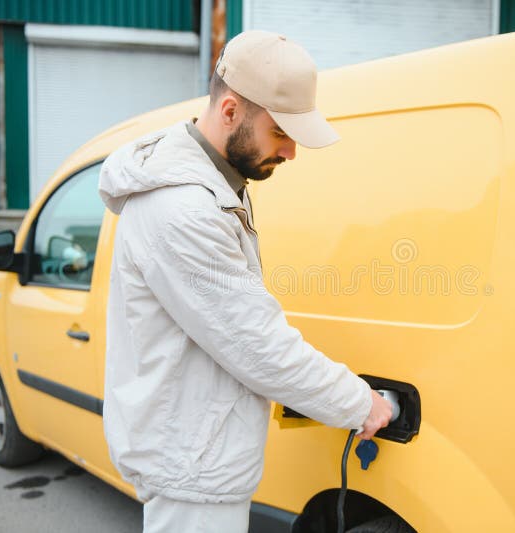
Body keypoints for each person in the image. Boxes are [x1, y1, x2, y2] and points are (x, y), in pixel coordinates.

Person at [98, 30, 393, 533]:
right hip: (193, 468)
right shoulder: (182, 211)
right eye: (281, 132)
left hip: (197, 452)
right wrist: (359, 402)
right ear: (230, 111)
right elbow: (256, 344)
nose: (292, 152)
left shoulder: (217, 183)